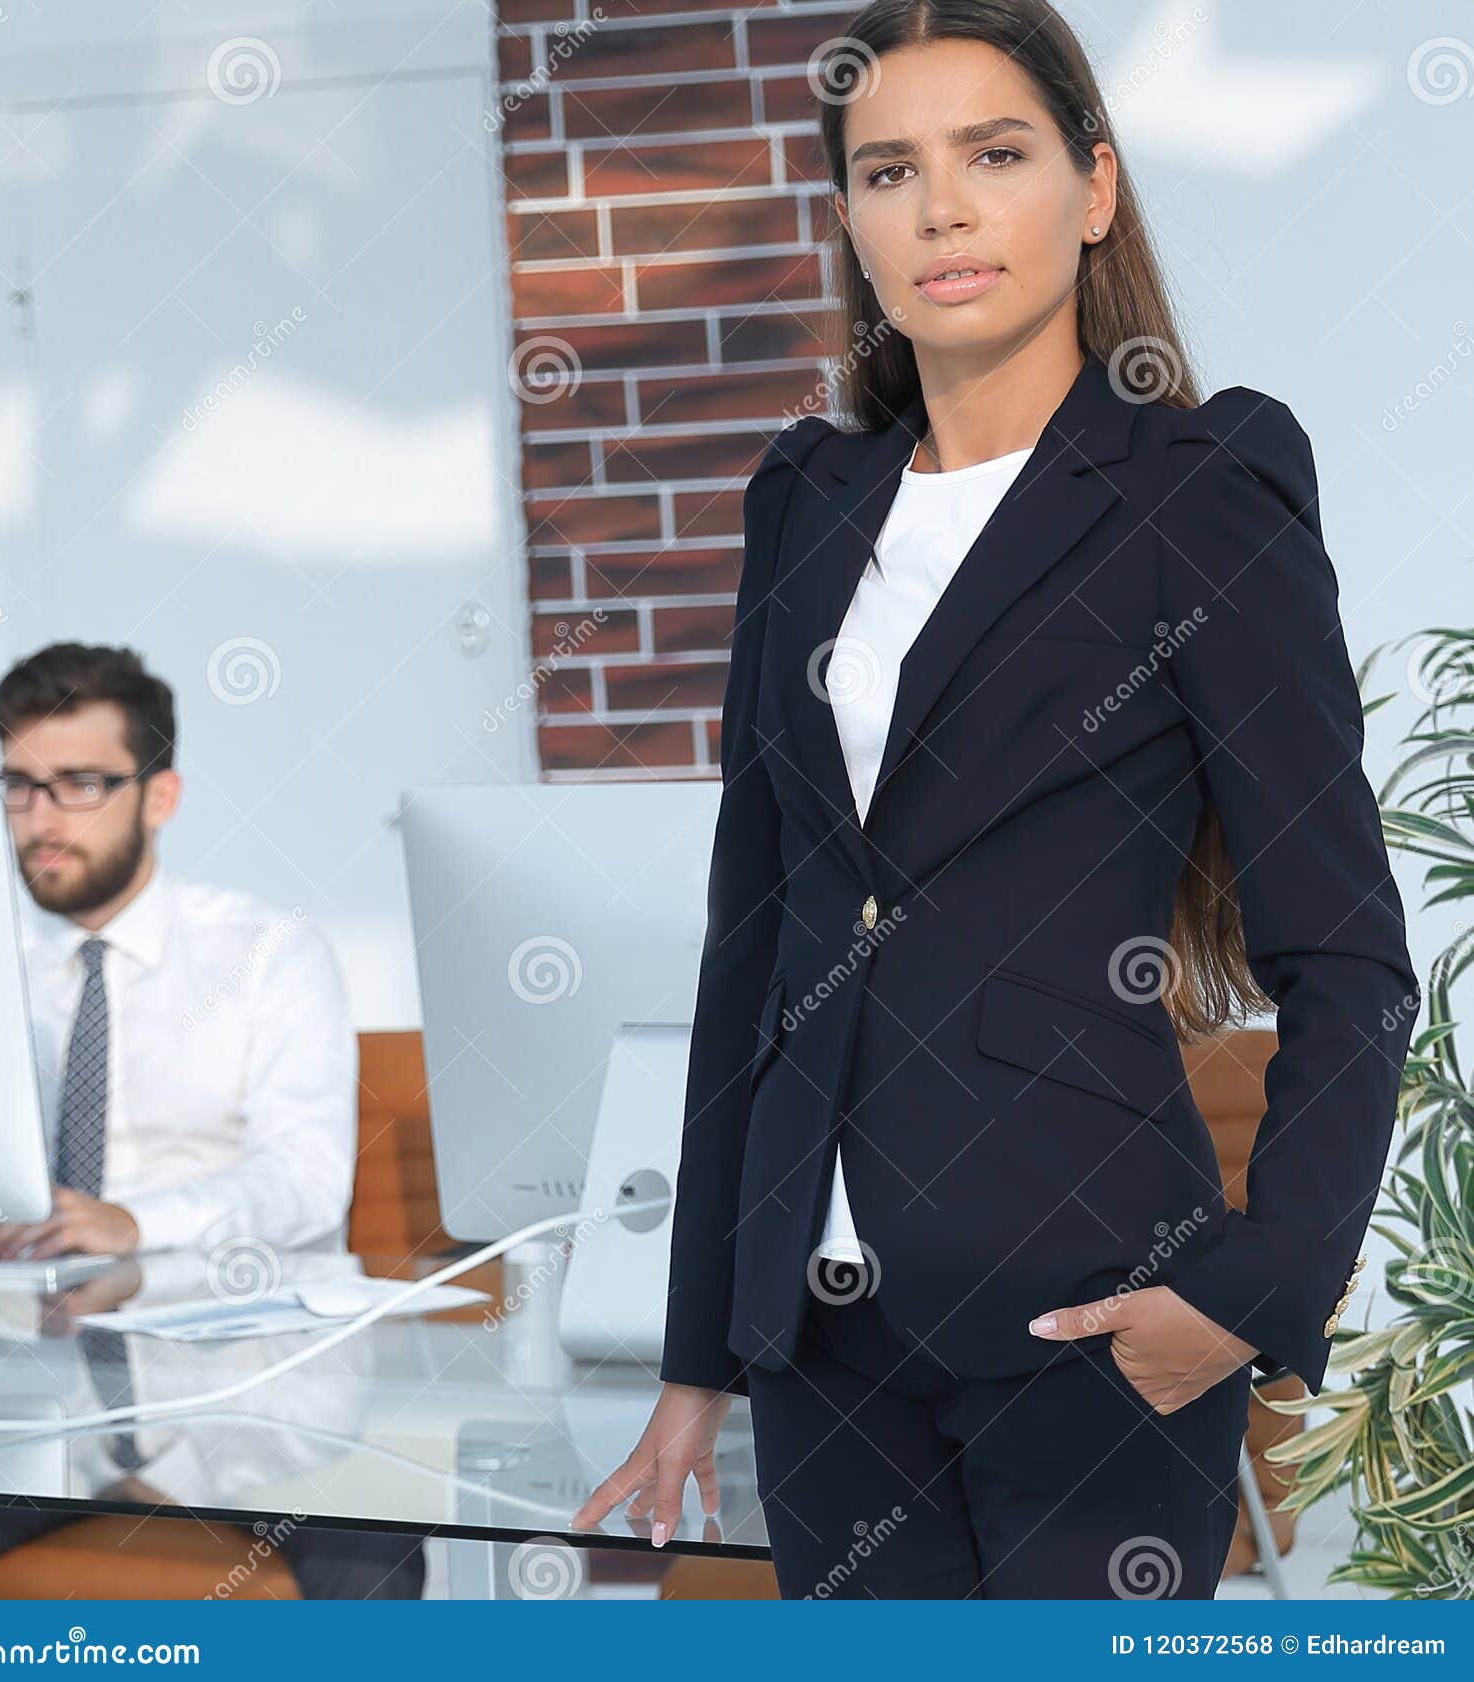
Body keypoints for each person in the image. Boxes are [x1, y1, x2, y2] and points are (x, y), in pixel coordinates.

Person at [573, 0, 1419, 1599]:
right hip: (821, 1336)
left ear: (1091, 188)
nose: (941, 209)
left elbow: (1346, 955)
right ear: (849, 216)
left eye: (994, 155)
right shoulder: (802, 506)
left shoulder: (1196, 490)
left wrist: (1251, 1289)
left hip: (1088, 1316)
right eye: (888, 170)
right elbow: (751, 945)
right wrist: (697, 1345)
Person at [0, 642, 424, 1598]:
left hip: (243, 1390)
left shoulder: (267, 952)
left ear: (159, 796)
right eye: (18, 786)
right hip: (20, 1390)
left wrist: (131, 1223)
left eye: (79, 784)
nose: (41, 819)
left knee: (376, 1555)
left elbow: (309, 1183)